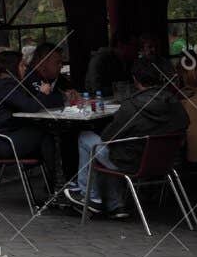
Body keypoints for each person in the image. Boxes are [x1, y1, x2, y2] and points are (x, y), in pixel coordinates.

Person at [62, 59, 189, 218]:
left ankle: (90, 196)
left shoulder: (131, 106)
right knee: (113, 149)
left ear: (135, 79)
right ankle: (116, 205)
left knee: (87, 138)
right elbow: (184, 123)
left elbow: (108, 137)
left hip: (131, 163)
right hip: (165, 161)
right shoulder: (174, 102)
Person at [0, 51, 57, 169]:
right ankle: (56, 181)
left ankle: (49, 179)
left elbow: (25, 104)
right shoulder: (5, 86)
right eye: (22, 65)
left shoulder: (0, 83)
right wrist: (43, 93)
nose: (25, 69)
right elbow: (31, 107)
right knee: (47, 135)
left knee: (41, 133)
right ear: (13, 67)